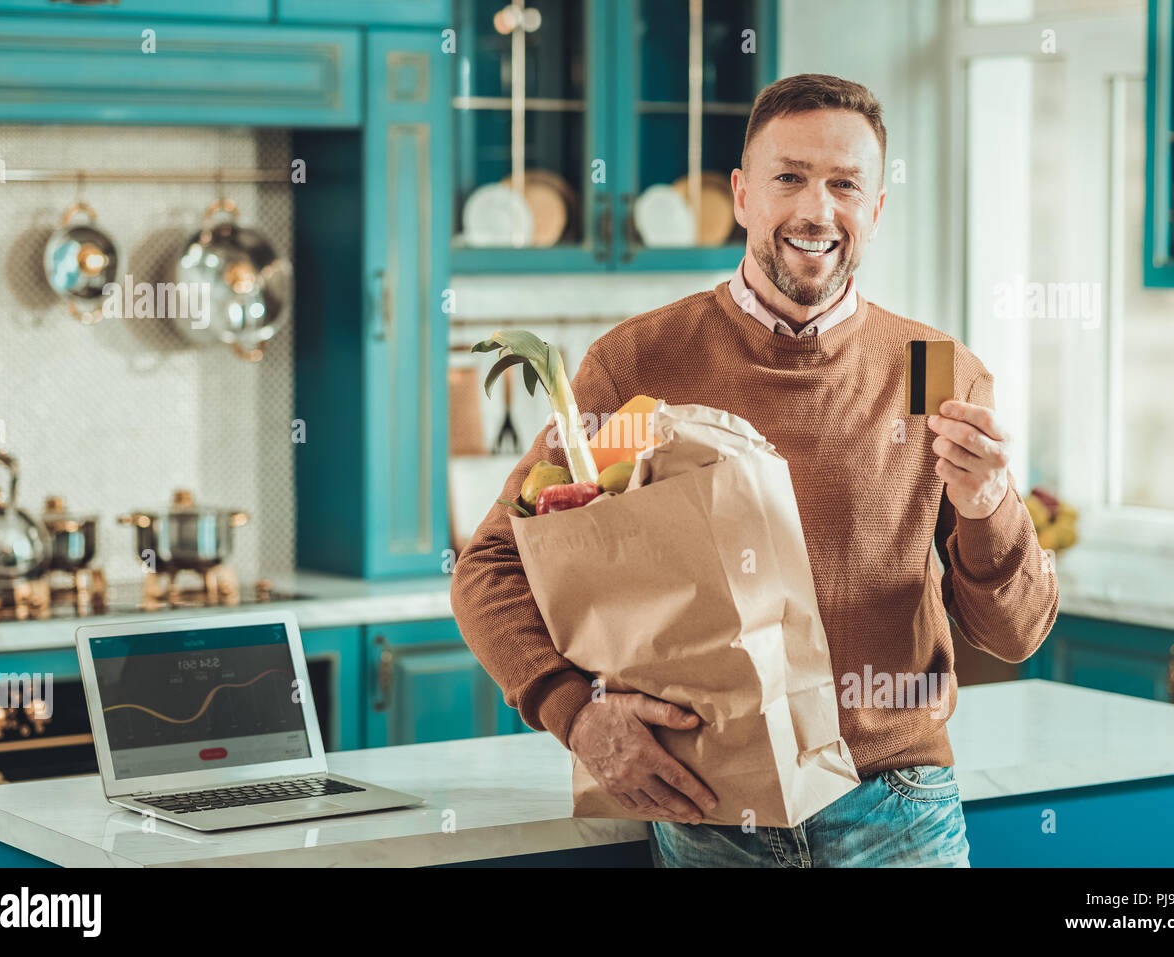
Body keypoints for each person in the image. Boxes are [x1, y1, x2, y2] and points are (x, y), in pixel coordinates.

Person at [450, 73, 1058, 867]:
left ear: (875, 209)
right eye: (790, 178)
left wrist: (989, 507)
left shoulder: (934, 374)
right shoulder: (641, 368)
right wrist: (576, 712)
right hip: (711, 818)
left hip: (899, 812)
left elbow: (1016, 634)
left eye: (845, 185)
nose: (817, 210)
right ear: (742, 195)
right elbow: (492, 563)